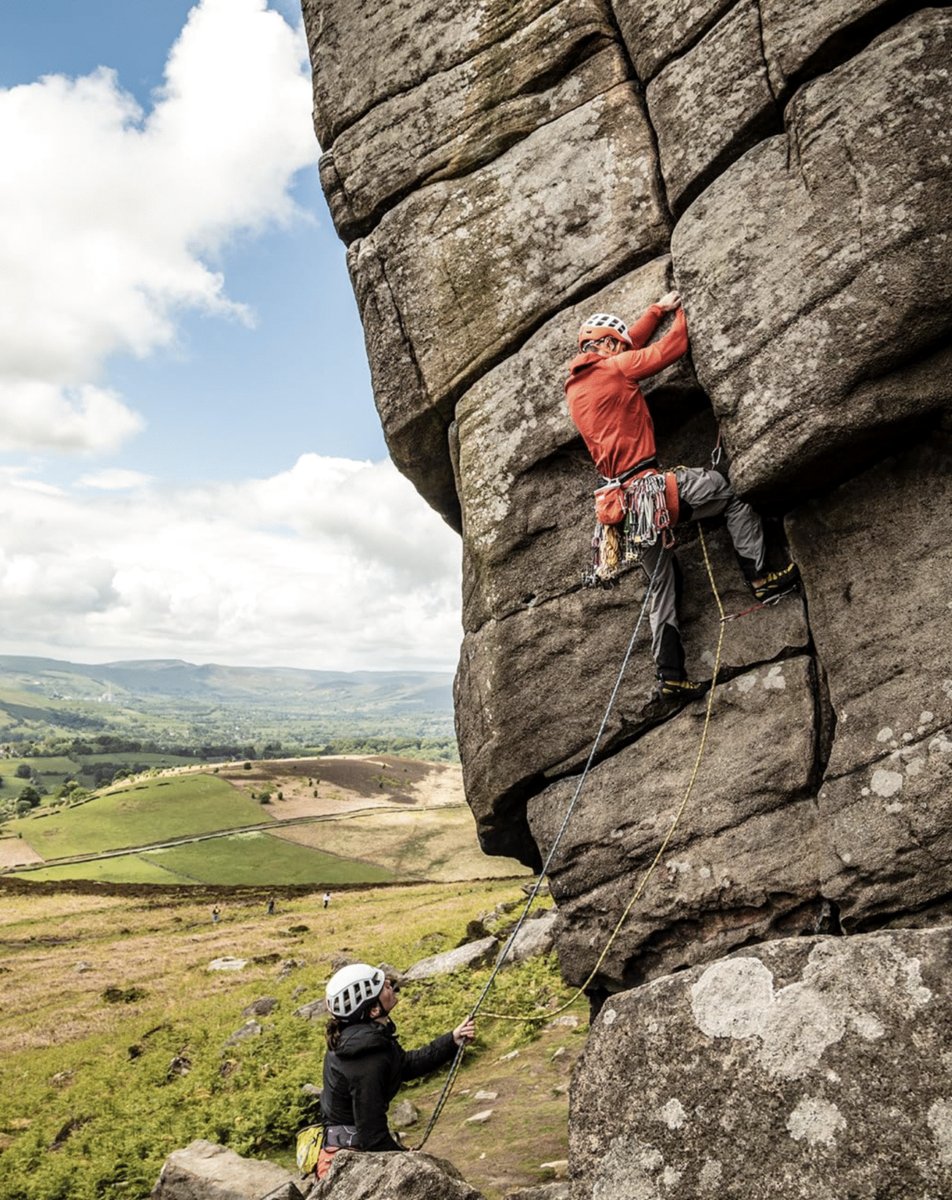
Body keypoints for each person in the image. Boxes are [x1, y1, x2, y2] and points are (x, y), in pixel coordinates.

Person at [565, 294, 798, 701]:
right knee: (730, 494)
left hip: (622, 510)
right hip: (651, 492)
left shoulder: (578, 385)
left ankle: (669, 675)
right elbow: (672, 348)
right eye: (616, 345)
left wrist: (655, 311)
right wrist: (686, 307)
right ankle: (760, 579)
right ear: (606, 347)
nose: (622, 349)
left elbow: (627, 345)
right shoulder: (616, 367)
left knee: (661, 581)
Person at [316, 963, 476, 1179]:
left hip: (348, 1149)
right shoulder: (364, 1057)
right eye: (383, 987)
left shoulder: (363, 1039)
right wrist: (402, 1158)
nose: (390, 984)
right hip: (348, 1159)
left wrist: (452, 1040)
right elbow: (372, 1134)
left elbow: (404, 1066)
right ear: (374, 1009)